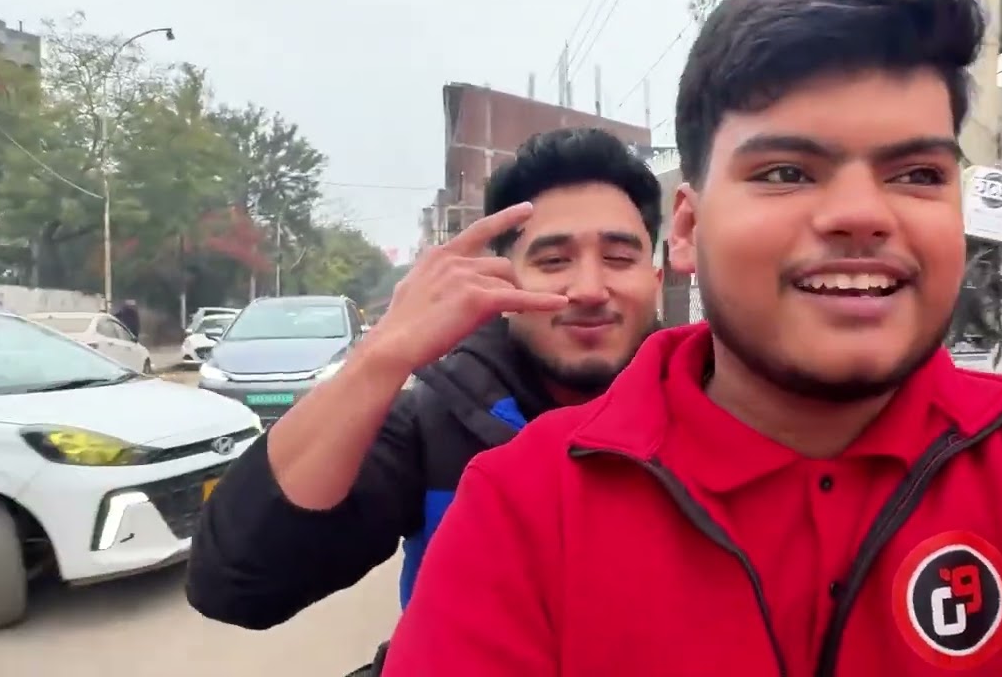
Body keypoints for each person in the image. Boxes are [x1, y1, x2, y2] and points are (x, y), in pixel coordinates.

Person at [378, 0, 1002, 677]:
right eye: (788, 173)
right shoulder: (525, 511)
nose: (864, 215)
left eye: (916, 175)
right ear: (685, 229)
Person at [185, 127, 664, 630]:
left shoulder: (717, 406)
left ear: (654, 281)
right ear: (497, 281)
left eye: (618, 258)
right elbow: (235, 584)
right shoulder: (431, 426)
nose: (589, 289)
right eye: (552, 261)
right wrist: (382, 355)